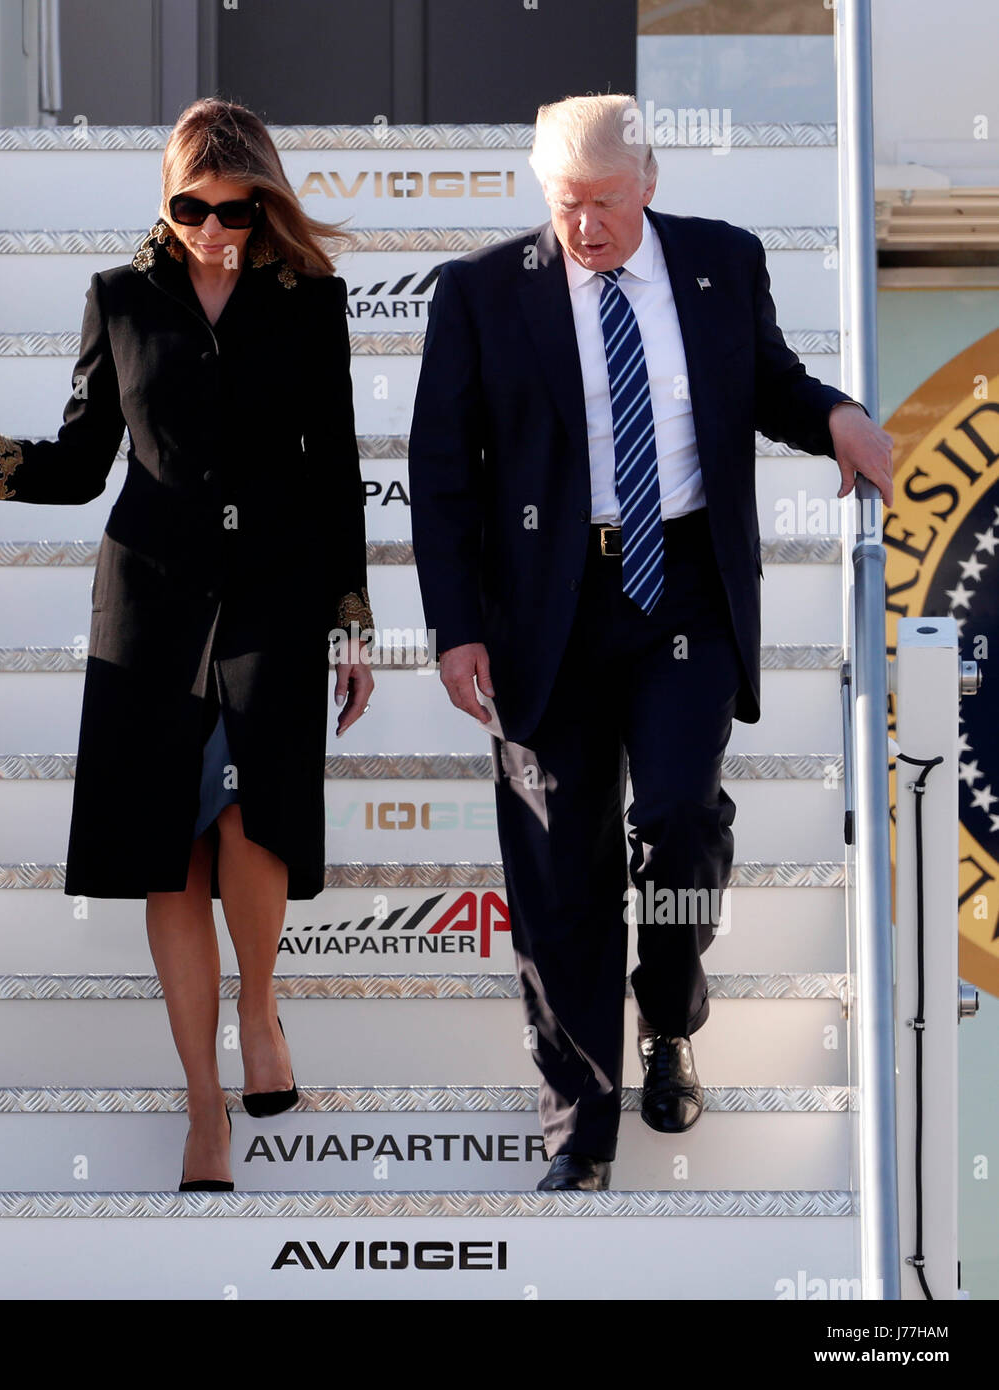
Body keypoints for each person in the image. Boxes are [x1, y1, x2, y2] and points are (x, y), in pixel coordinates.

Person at [0, 97, 376, 1191]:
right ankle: (204, 1106)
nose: (212, 229)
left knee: (253, 810)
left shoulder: (309, 304)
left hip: (276, 593)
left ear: (262, 199)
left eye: (233, 209)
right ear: (167, 197)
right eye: (191, 207)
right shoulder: (119, 298)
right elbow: (80, 460)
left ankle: (261, 1008)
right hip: (148, 602)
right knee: (168, 853)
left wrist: (352, 619)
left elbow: (334, 470)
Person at [408, 93, 893, 1191]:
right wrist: (455, 629)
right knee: (558, 868)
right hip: (546, 604)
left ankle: (667, 1013)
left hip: (682, 590)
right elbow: (440, 476)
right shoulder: (481, 293)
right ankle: (579, 1129)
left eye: (605, 203)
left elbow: (766, 381)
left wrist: (835, 417)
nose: (585, 226)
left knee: (675, 814)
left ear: (651, 182)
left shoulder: (721, 262)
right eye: (565, 204)